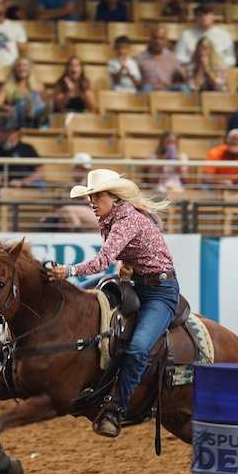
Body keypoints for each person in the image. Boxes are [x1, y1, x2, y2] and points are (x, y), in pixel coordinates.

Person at [48, 168, 181, 438]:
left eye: (96, 197)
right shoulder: (110, 220)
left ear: (112, 196)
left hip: (161, 293)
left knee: (137, 349)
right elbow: (121, 254)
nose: (91, 203)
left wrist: (68, 272)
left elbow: (100, 261)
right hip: (137, 285)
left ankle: (116, 409)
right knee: (77, 302)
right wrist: (126, 266)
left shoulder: (127, 219)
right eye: (90, 198)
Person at [0, 115, 45, 187]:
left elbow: (40, 172)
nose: (6, 134)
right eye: (3, 131)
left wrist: (22, 182)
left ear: (16, 133)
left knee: (40, 184)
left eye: (9, 131)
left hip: (23, 186)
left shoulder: (27, 148)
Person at [0, 57, 49, 128]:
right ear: (15, 69)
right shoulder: (8, 86)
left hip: (35, 115)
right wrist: (7, 108)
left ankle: (32, 112)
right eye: (19, 65)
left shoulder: (38, 85)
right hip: (17, 115)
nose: (22, 68)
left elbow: (43, 101)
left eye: (25, 65)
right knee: (21, 105)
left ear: (30, 69)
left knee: (39, 105)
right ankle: (28, 110)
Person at [136, 26, 186, 91]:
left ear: (166, 40)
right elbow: (136, 82)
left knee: (184, 88)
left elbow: (179, 80)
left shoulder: (173, 58)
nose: (158, 42)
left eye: (161, 38)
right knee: (146, 88)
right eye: (155, 38)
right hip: (150, 89)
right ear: (150, 39)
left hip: (168, 89)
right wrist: (151, 84)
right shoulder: (139, 59)